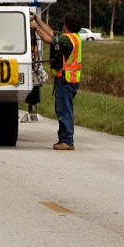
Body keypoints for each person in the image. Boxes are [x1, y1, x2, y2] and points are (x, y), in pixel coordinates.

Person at [31, 12, 82, 150]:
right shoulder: (73, 37)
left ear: (66, 25)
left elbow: (48, 39)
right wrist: (38, 20)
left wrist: (35, 27)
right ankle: (64, 140)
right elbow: (51, 32)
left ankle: (67, 141)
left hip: (66, 80)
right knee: (64, 109)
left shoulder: (67, 39)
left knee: (64, 110)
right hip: (69, 80)